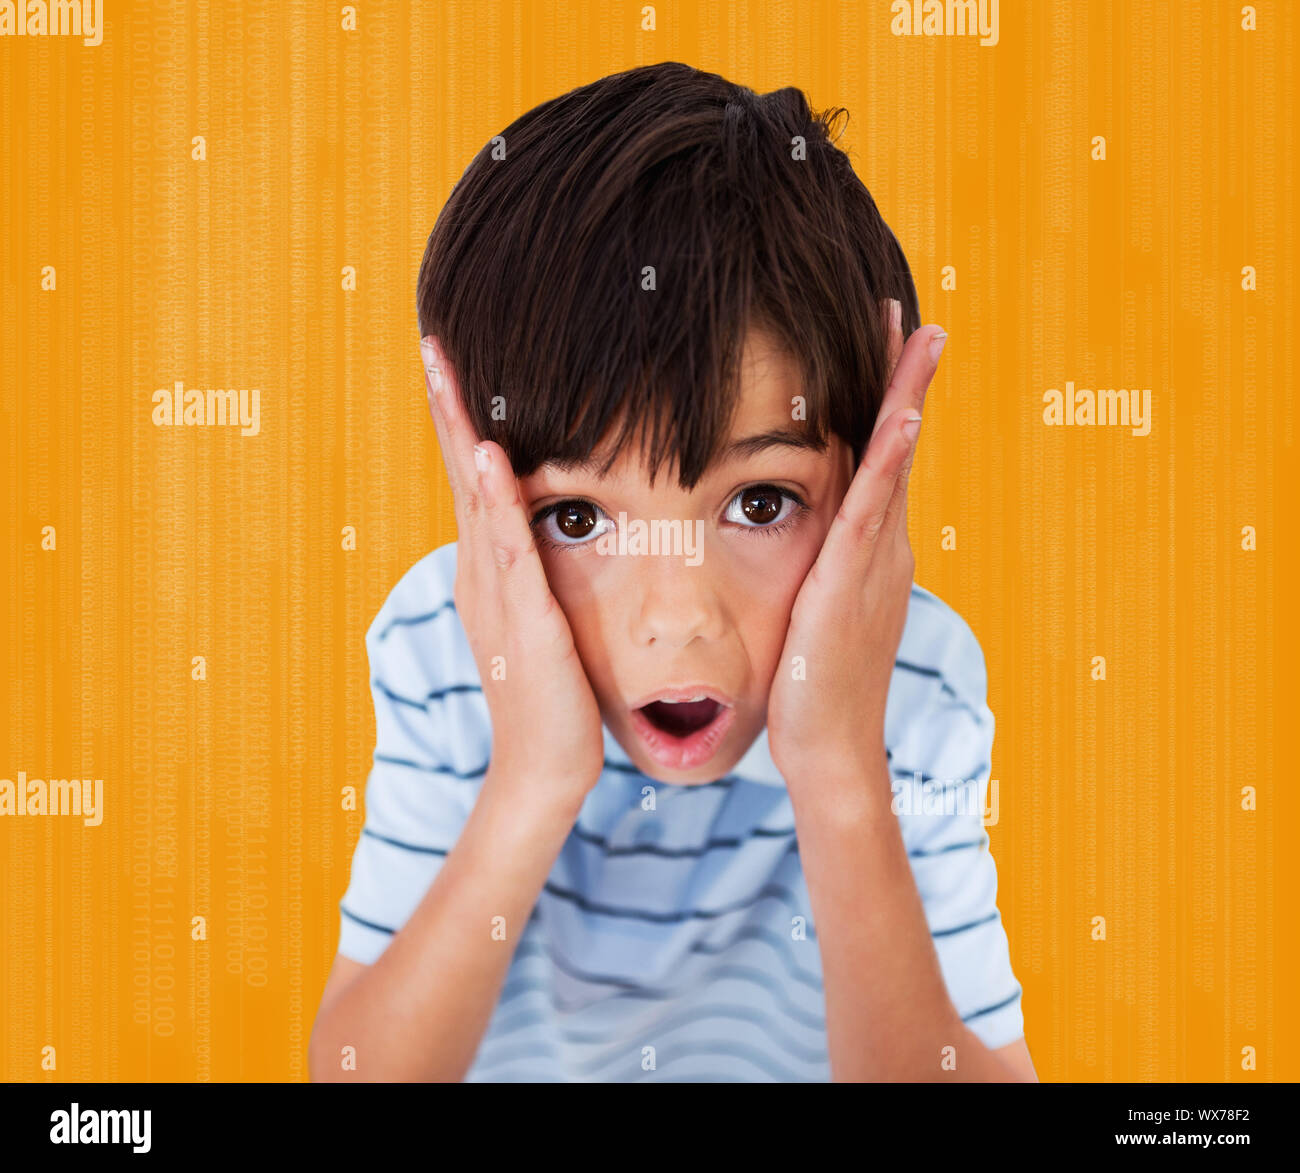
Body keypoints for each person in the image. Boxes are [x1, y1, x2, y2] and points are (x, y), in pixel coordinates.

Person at [309, 61, 1036, 1082]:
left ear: (868, 477)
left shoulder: (911, 678)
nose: (678, 621)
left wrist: (836, 774)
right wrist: (532, 779)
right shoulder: (447, 643)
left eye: (759, 504)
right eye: (576, 515)